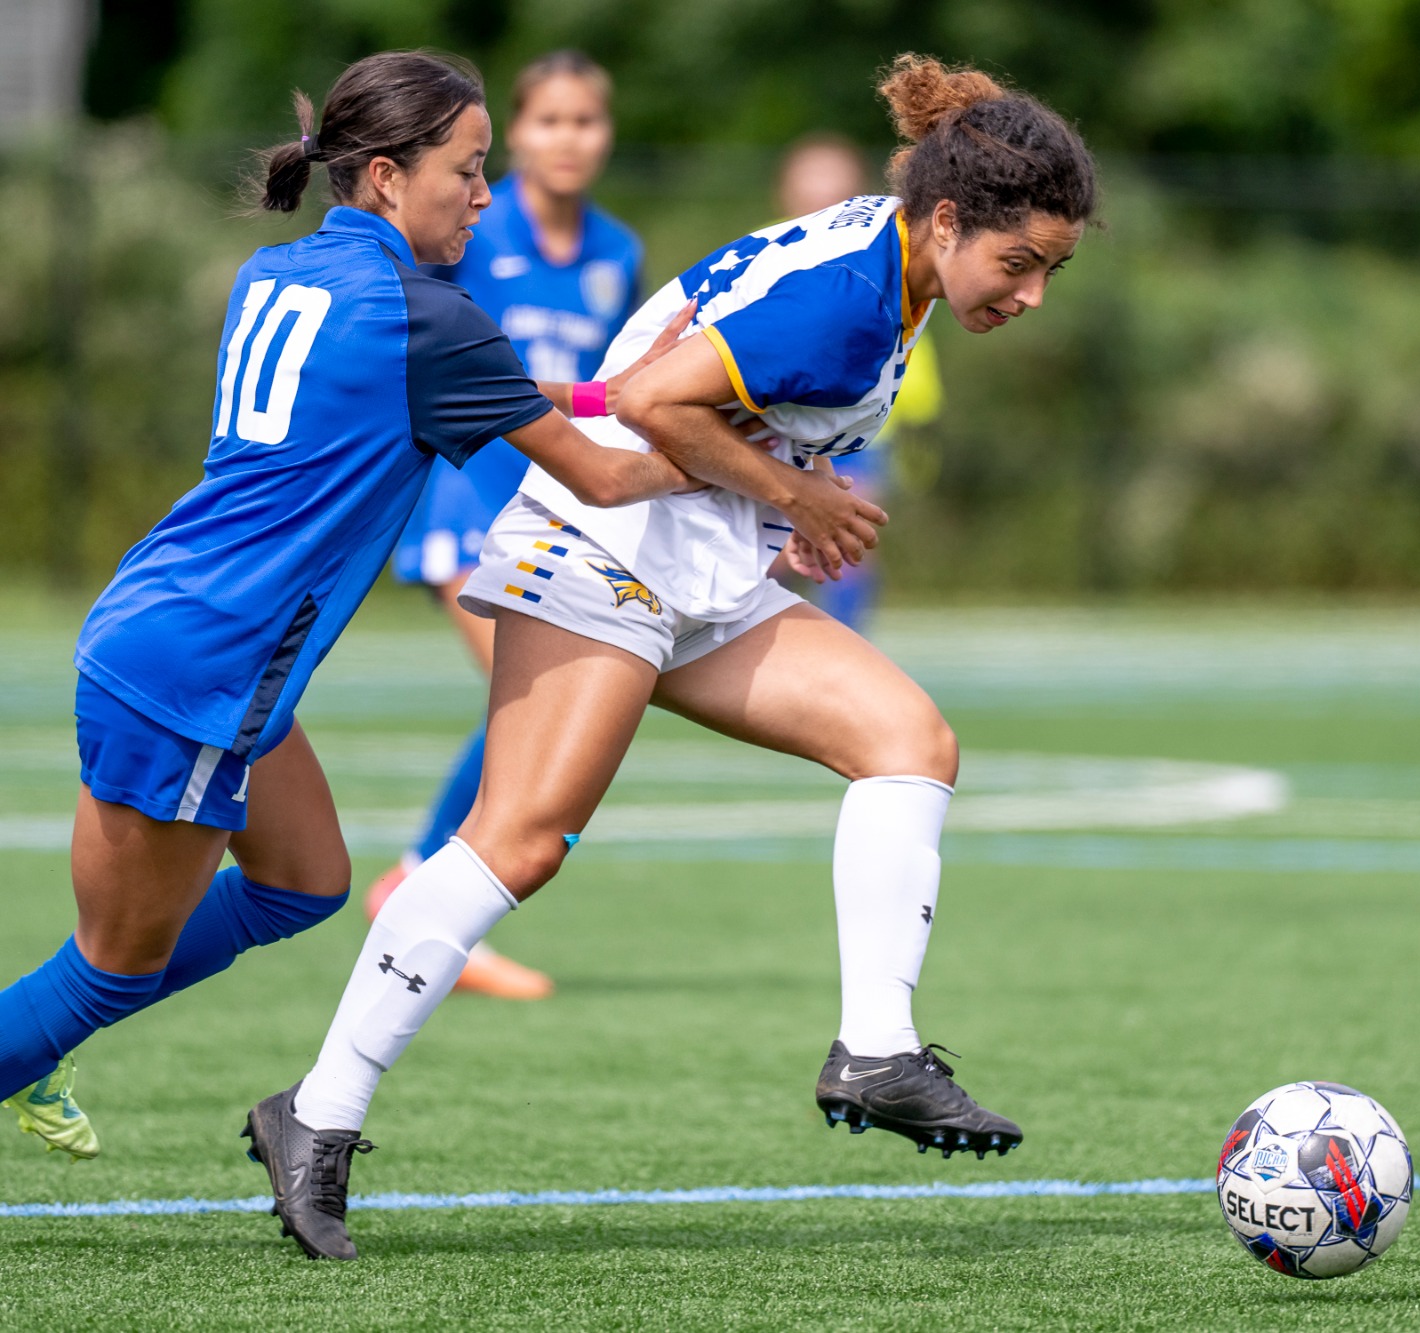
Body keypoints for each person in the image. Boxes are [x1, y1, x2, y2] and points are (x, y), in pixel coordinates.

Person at [250, 53, 1098, 1261]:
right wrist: (793, 498)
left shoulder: (894, 270)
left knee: (908, 741)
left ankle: (875, 1049)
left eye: (1051, 273)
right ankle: (315, 1114)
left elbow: (705, 404)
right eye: (1018, 265)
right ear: (949, 219)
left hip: (698, 558)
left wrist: (769, 507)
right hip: (604, 542)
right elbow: (652, 401)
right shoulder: (852, 292)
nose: (1030, 296)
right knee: (518, 842)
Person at [0, 50, 695, 1163]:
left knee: (307, 882)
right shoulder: (429, 315)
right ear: (382, 176)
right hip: (206, 669)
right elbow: (604, 474)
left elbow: (491, 380)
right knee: (111, 966)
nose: (485, 192)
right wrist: (764, 466)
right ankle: (34, 1038)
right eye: (468, 171)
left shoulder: (280, 273)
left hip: (176, 625)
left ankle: (46, 1024)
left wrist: (628, 393)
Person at [368, 51, 645, 1001]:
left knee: (535, 712)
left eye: (587, 121)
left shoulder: (617, 252)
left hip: (559, 506)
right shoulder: (476, 220)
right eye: (550, 121)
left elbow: (612, 393)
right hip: (466, 497)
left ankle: (426, 886)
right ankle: (420, 885)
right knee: (525, 704)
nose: (569, 138)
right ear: (515, 133)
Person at [771, 133, 944, 632]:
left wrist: (915, 444)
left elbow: (913, 360)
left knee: (847, 547)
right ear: (787, 193)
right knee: (773, 550)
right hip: (776, 435)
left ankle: (848, 648)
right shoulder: (767, 256)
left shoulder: (888, 265)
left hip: (861, 443)